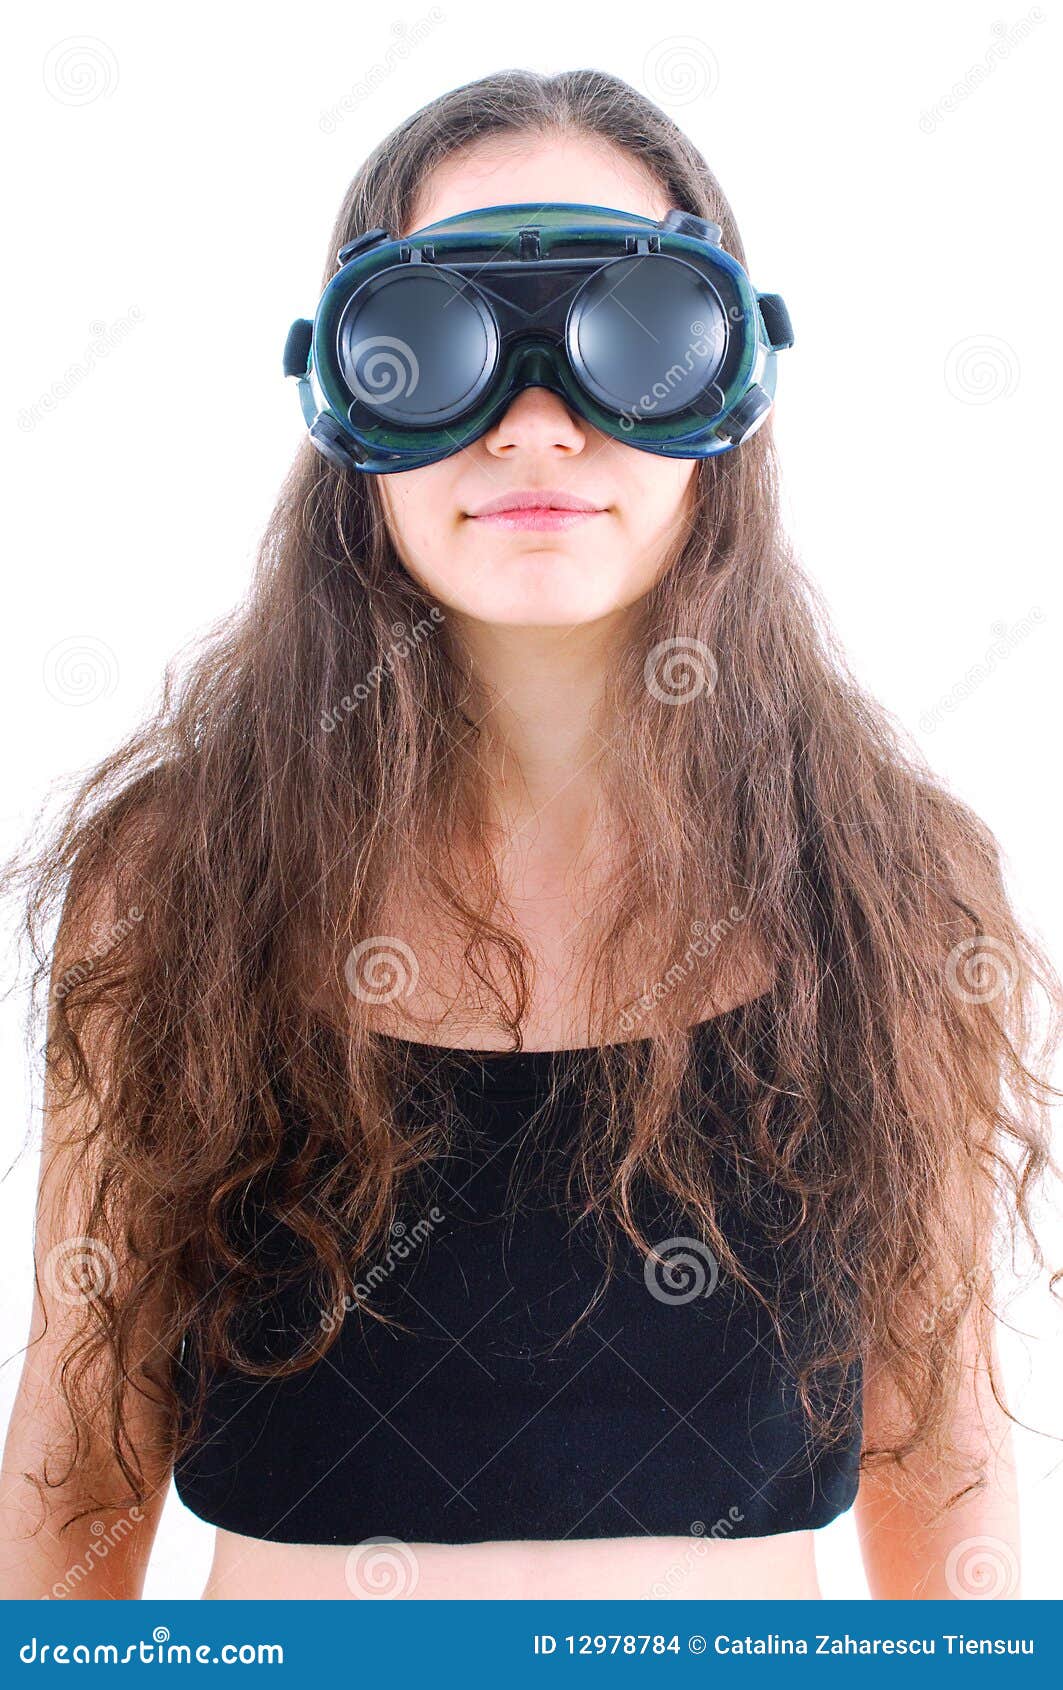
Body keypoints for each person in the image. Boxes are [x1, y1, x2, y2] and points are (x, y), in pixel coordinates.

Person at [1, 67, 1059, 1603]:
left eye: (638, 331)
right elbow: (81, 1449)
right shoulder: (177, 884)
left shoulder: (896, 891)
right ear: (347, 395)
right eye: (443, 344)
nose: (540, 423)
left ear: (731, 382)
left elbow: (943, 1457)